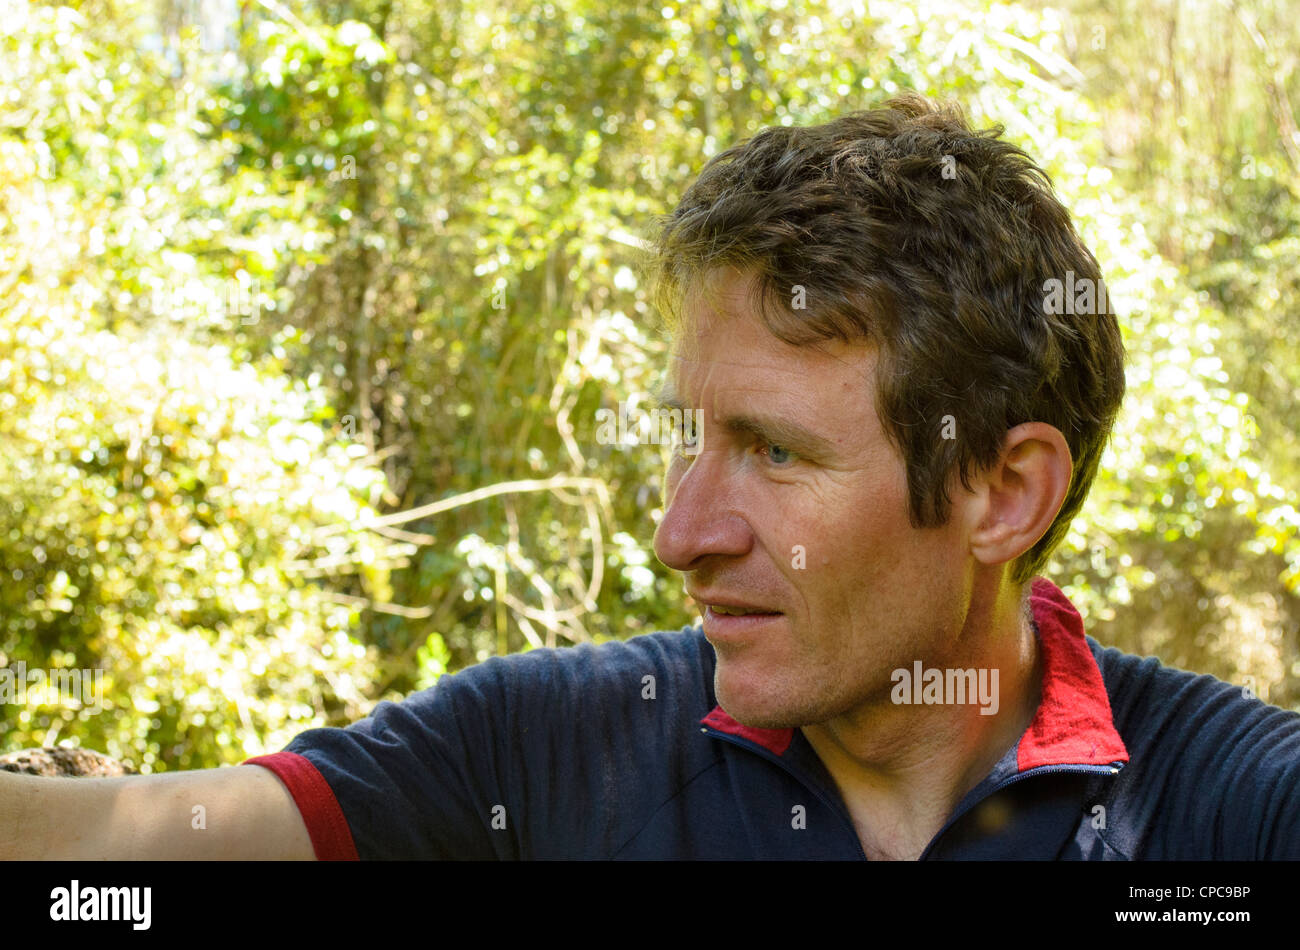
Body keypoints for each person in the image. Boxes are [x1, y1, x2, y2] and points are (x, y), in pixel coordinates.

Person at [2, 92, 1296, 860]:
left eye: (776, 452)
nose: (680, 535)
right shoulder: (550, 748)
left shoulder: (1228, 809)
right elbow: (131, 844)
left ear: (1003, 493)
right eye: (691, 437)